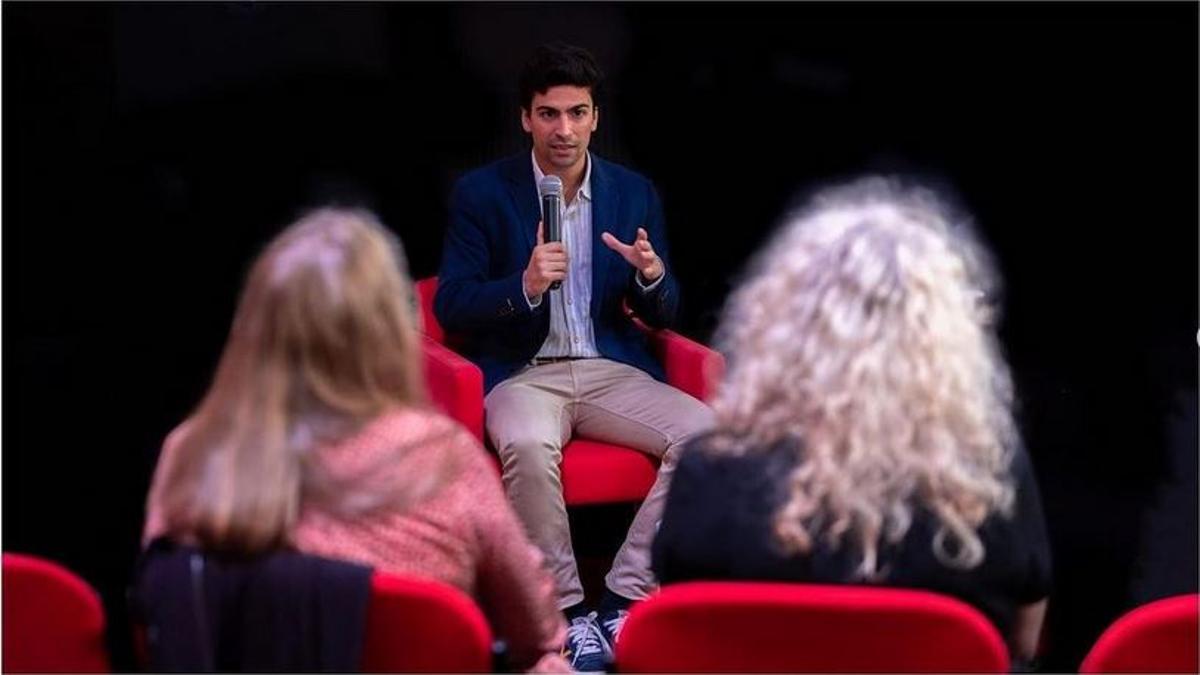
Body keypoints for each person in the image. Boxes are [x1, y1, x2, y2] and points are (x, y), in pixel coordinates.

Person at [142, 208, 569, 673]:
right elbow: (538, 631)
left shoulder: (189, 451)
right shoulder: (443, 460)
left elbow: (164, 622)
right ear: (390, 331)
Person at [652, 178, 1052, 664]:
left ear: (781, 323)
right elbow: (1023, 644)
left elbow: (680, 630)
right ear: (948, 337)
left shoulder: (707, 468)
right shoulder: (991, 474)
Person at [434, 42, 714, 670]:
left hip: (607, 365)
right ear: (525, 119)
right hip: (523, 373)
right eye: (549, 114)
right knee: (529, 446)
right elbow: (451, 303)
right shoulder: (482, 194)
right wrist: (525, 286)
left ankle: (624, 596)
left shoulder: (633, 192)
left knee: (707, 433)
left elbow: (666, 311)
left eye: (577, 114)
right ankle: (559, 617)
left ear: (596, 118)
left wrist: (651, 276)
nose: (564, 130)